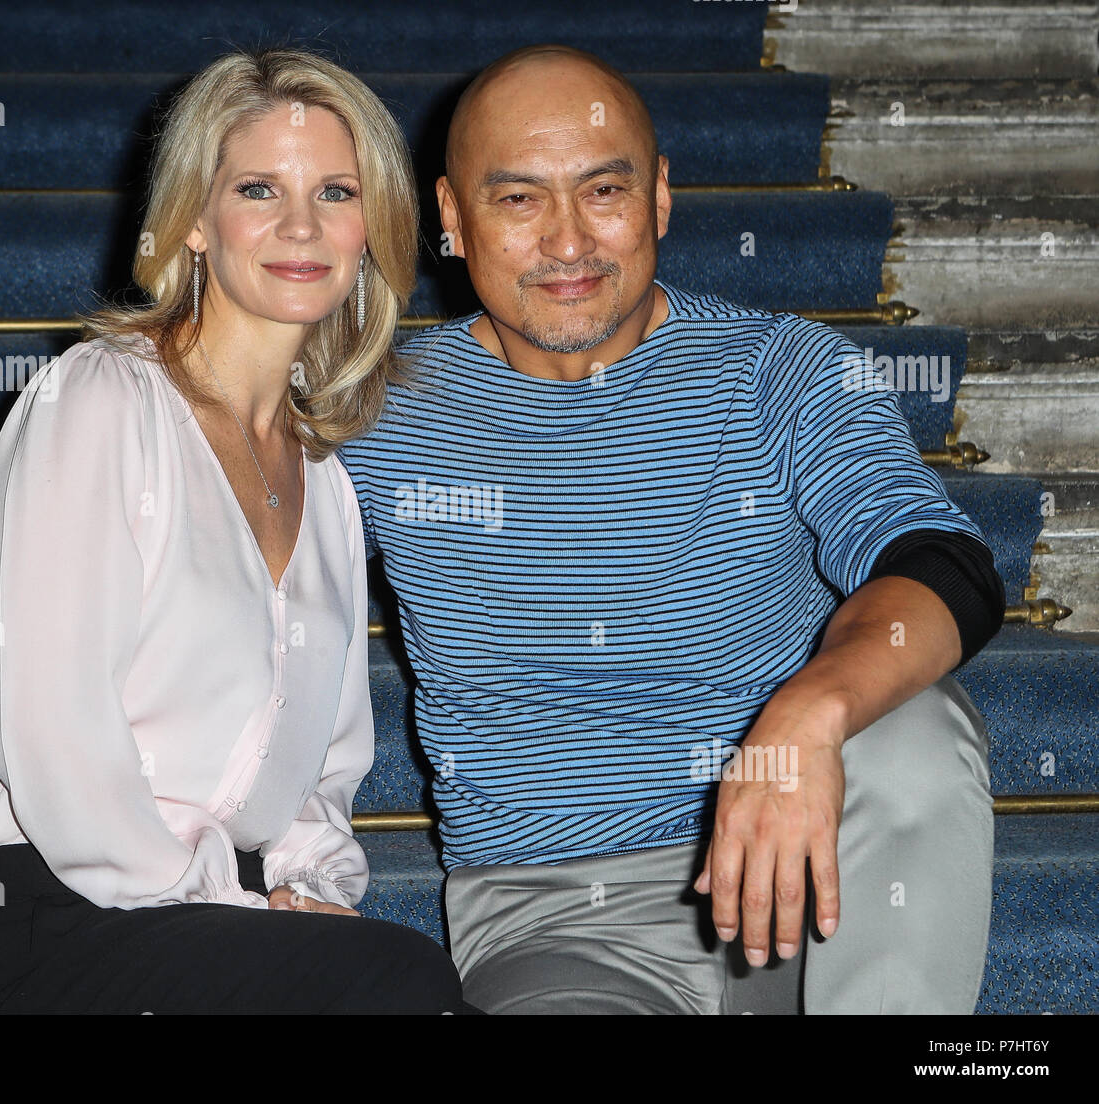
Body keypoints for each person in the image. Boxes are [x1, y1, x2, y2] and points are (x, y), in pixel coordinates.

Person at [340, 44, 1005, 1014]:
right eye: (519, 200)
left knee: (909, 727)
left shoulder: (785, 372)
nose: (568, 243)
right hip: (561, 925)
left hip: (813, 881)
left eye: (602, 191)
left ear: (658, 196)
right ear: (451, 217)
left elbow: (940, 565)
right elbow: (242, 624)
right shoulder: (377, 417)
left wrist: (807, 713)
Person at [0, 47, 466, 1014]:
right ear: (195, 223)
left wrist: (308, 893)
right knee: (403, 982)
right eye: (259, 188)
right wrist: (231, 899)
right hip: (51, 912)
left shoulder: (327, 477)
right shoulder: (98, 399)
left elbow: (322, 778)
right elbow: (53, 734)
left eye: (336, 191)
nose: (302, 224)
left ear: (371, 229)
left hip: (222, 928)